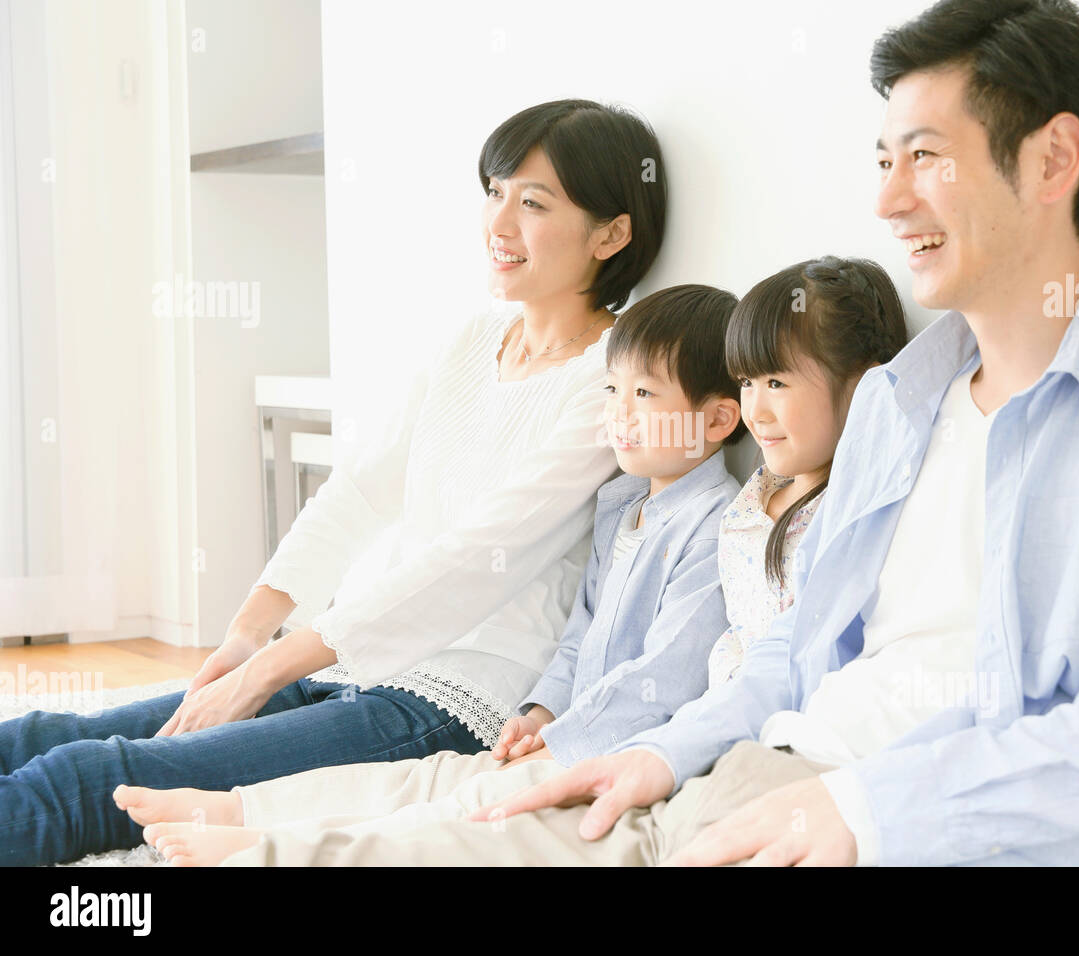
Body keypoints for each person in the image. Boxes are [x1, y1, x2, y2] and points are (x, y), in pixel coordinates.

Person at [163, 0, 1079, 867]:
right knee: (332, 849)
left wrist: (853, 806)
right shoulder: (899, 399)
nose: (890, 202)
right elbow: (800, 648)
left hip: (917, 830)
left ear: (1052, 160)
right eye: (882, 160)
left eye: (927, 156)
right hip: (755, 778)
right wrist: (653, 749)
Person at [0, 98, 668, 866]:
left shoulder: (614, 381)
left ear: (612, 233)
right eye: (493, 193)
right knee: (45, 734)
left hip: (451, 700)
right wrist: (249, 638)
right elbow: (359, 492)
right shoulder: (473, 342)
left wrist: (269, 673)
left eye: (534, 203)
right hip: (348, 660)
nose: (500, 224)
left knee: (90, 779)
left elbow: (471, 562)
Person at [138, 255, 918, 866]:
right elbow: (580, 631)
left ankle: (273, 850)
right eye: (751, 382)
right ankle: (246, 810)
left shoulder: (734, 517)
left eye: (777, 382)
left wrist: (575, 733)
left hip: (647, 737)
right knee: (437, 781)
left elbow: (674, 671)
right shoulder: (655, 505)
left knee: (468, 815)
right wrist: (545, 707)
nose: (759, 408)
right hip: (590, 725)